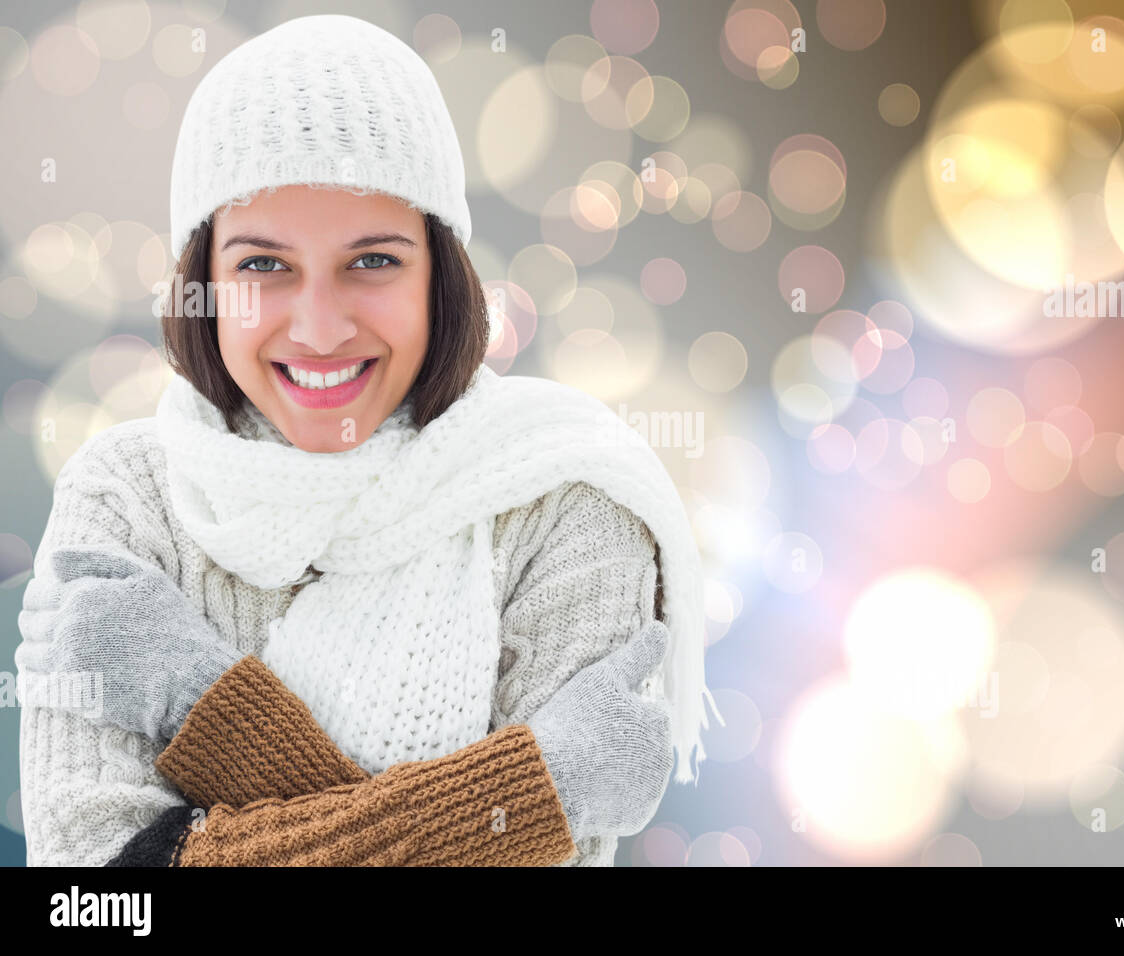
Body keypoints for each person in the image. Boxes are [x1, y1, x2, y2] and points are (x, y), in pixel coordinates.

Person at [13, 14, 717, 867]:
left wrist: (195, 699)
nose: (317, 328)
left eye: (374, 260)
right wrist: (537, 789)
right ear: (200, 279)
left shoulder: (564, 500)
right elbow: (99, 900)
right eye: (262, 266)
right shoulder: (126, 496)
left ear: (440, 274)